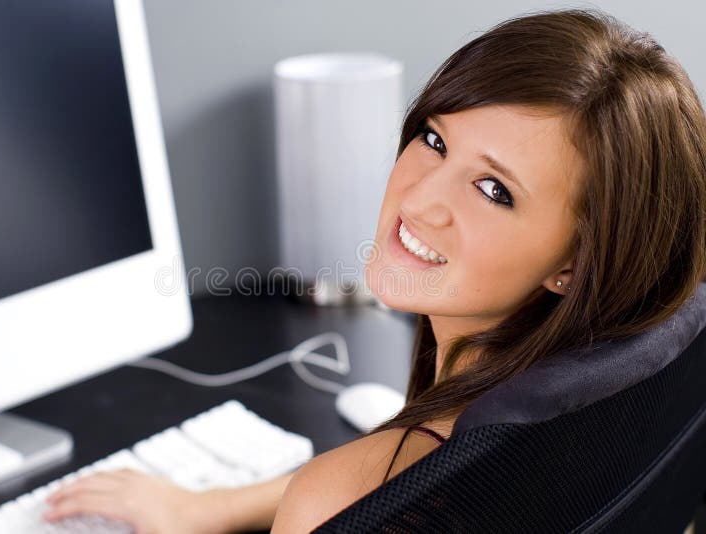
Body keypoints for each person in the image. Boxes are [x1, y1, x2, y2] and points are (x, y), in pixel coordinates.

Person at [42, 7, 706, 533]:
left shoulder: (347, 498)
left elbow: (355, 497)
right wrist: (210, 505)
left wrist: (318, 494)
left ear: (575, 263)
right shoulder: (613, 392)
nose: (420, 200)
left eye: (494, 190)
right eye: (435, 140)